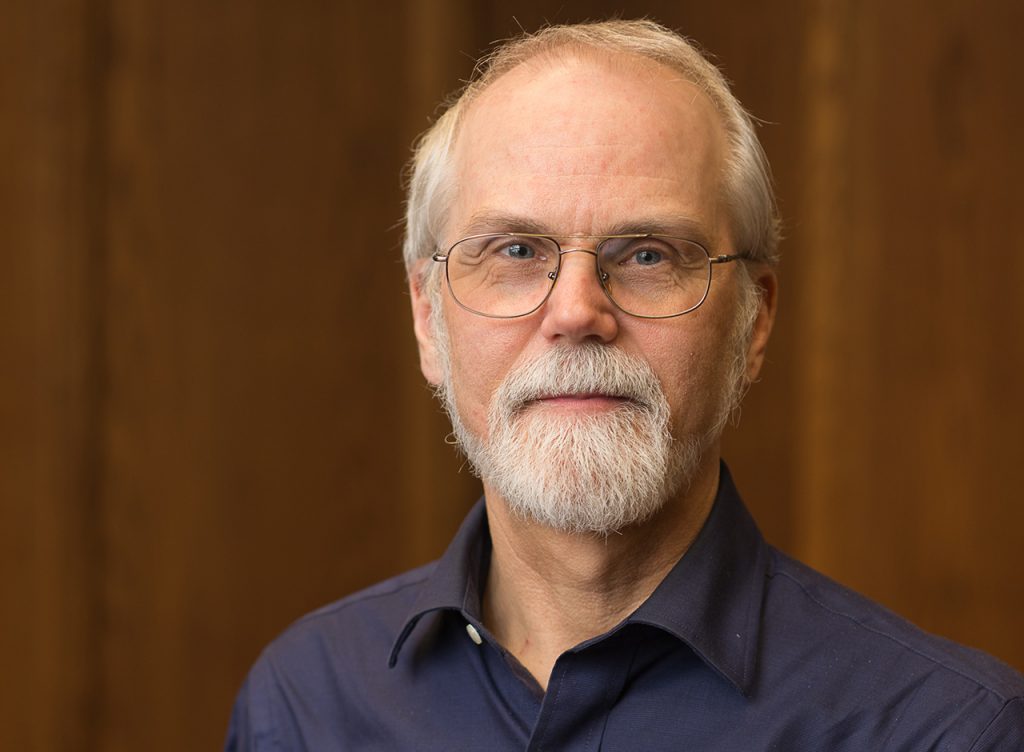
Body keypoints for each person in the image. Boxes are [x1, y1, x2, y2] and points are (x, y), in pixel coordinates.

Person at [226, 19, 1024, 750]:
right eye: (514, 252)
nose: (576, 312)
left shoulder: (943, 730)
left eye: (647, 254)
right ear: (429, 320)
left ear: (753, 323)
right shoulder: (304, 705)